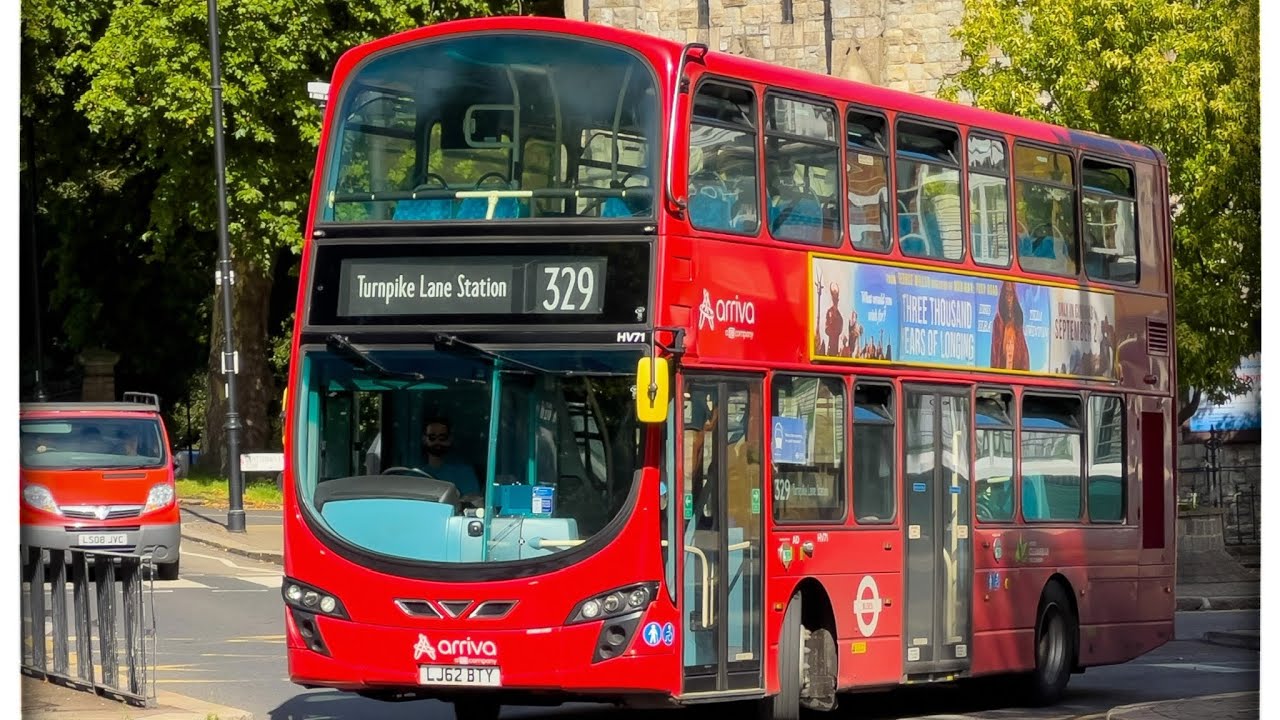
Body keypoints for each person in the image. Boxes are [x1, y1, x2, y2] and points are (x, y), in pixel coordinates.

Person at [420, 417, 482, 498]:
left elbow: (474, 502)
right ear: (424, 439)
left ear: (450, 440)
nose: (437, 441)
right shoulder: (415, 474)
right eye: (432, 437)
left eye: (442, 437)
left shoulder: (464, 473)